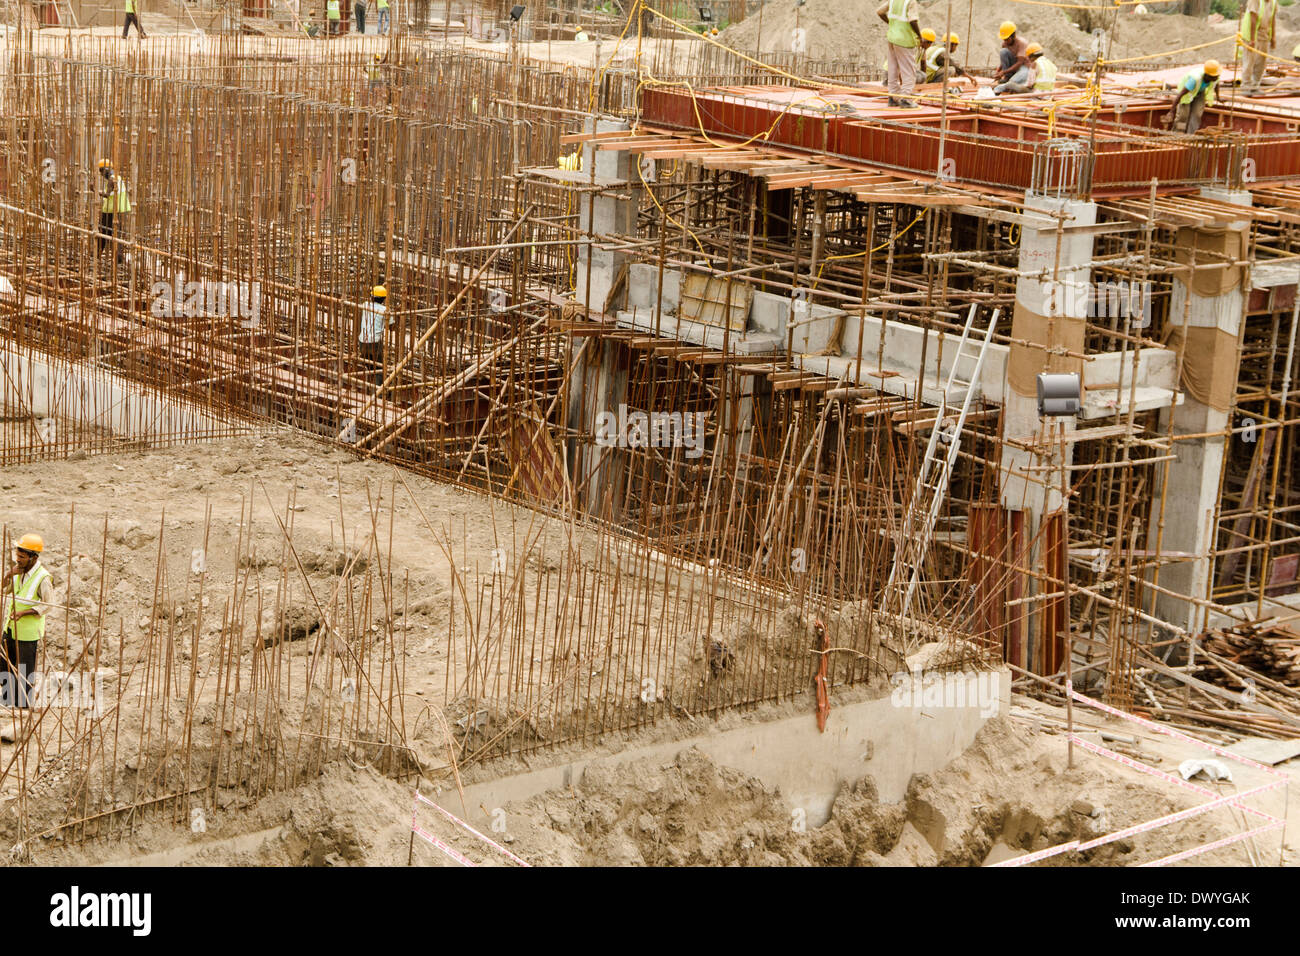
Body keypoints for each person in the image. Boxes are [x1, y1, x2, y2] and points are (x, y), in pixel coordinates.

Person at [1, 535, 53, 713]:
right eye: (17, 555)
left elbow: (47, 604)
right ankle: (8, 701)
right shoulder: (17, 571)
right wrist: (8, 574)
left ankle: (22, 707)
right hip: (10, 627)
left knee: (24, 669)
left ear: (34, 557)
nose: (18, 559)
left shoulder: (43, 578)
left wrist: (25, 612)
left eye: (22, 557)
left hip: (28, 632)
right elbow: (3, 589)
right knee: (6, 664)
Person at [876, 0, 921, 107]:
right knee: (908, 70)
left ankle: (893, 97)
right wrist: (920, 35)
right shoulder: (911, 2)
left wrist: (892, 24)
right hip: (905, 39)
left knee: (893, 68)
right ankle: (906, 99)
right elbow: (913, 21)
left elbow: (879, 12)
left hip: (892, 38)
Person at [1164, 59, 1220, 134]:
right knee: (1183, 116)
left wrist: (1218, 97)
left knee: (1197, 115)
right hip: (1187, 93)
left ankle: (1190, 135)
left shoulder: (1214, 77)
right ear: (1207, 75)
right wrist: (1171, 111)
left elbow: (1217, 84)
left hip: (1199, 92)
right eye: (1215, 77)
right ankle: (1178, 135)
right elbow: (1180, 95)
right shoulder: (1194, 79)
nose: (1217, 78)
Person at [97, 160, 132, 258]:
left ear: (106, 170)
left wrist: (95, 190)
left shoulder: (112, 180)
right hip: (119, 210)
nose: (101, 174)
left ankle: (97, 255)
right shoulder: (118, 178)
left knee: (104, 232)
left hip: (111, 211)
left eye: (101, 171)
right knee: (116, 233)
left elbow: (107, 195)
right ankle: (118, 257)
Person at [1241, 0, 1277, 91]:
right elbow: (1253, 19)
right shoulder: (1255, 1)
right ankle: (1246, 86)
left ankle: (1255, 85)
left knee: (1261, 62)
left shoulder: (1273, 2)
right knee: (1249, 61)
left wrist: (1273, 37)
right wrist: (1252, 39)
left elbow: (1273, 19)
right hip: (1252, 35)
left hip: (1264, 35)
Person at [359, 285, 388, 385]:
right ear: (384, 299)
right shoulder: (385, 310)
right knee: (379, 369)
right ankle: (377, 393)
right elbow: (392, 327)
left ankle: (365, 386)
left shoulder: (365, 305)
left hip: (362, 341)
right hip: (375, 343)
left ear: (372, 297)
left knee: (365, 365)